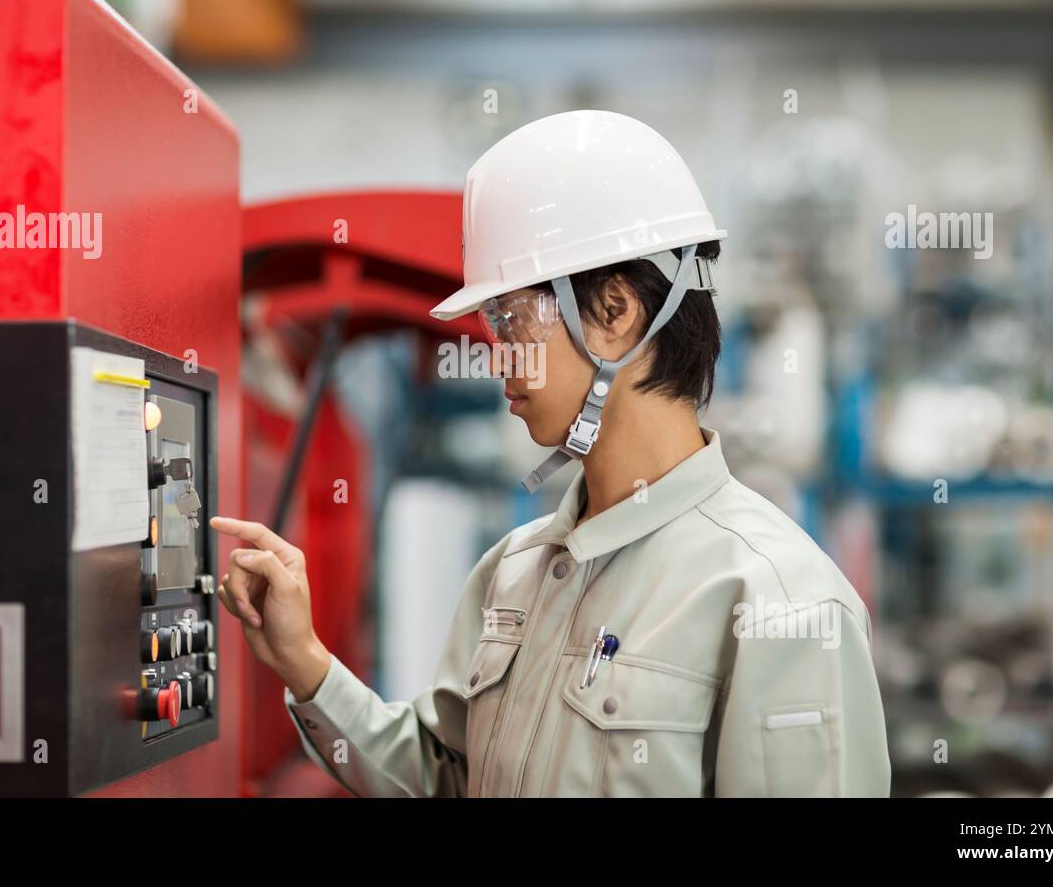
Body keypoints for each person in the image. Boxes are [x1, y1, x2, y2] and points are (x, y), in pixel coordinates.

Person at [211, 110, 891, 796]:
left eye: (510, 319)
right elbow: (442, 779)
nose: (495, 352)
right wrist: (303, 662)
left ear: (616, 311)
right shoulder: (513, 573)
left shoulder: (779, 600)